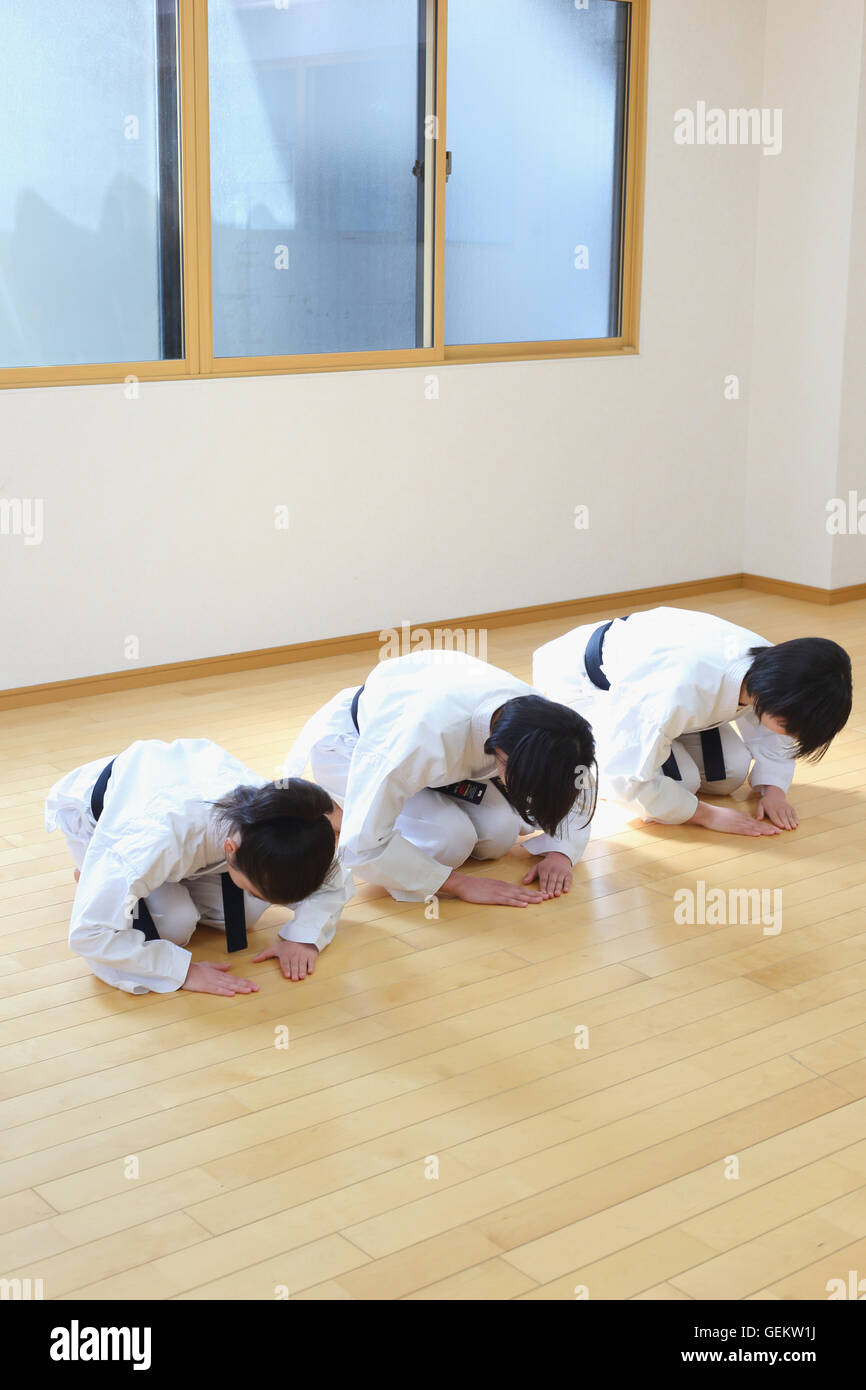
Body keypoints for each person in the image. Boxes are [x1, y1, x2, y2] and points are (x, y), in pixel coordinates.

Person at [284, 648, 597, 908]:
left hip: (439, 759)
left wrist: (561, 851)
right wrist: (459, 884)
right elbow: (362, 849)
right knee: (450, 840)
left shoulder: (547, 724)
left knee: (500, 832)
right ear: (502, 753)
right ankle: (335, 812)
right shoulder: (416, 738)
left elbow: (574, 775)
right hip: (352, 747)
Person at [45, 737, 350, 994]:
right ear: (231, 850)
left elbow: (331, 879)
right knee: (174, 923)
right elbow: (91, 934)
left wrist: (302, 937)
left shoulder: (283, 821)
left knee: (247, 913)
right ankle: (92, 874)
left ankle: (133, 883)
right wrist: (182, 972)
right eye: (256, 889)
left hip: (177, 804)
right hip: (99, 814)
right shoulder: (150, 839)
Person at [532, 607, 852, 836]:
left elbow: (776, 730)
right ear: (779, 704)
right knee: (681, 784)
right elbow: (627, 776)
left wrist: (773, 790)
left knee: (731, 773)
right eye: (796, 729)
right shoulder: (677, 686)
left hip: (663, 686)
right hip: (583, 684)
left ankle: (666, 750)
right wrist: (706, 815)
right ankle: (588, 758)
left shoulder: (776, 669)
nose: (795, 736)